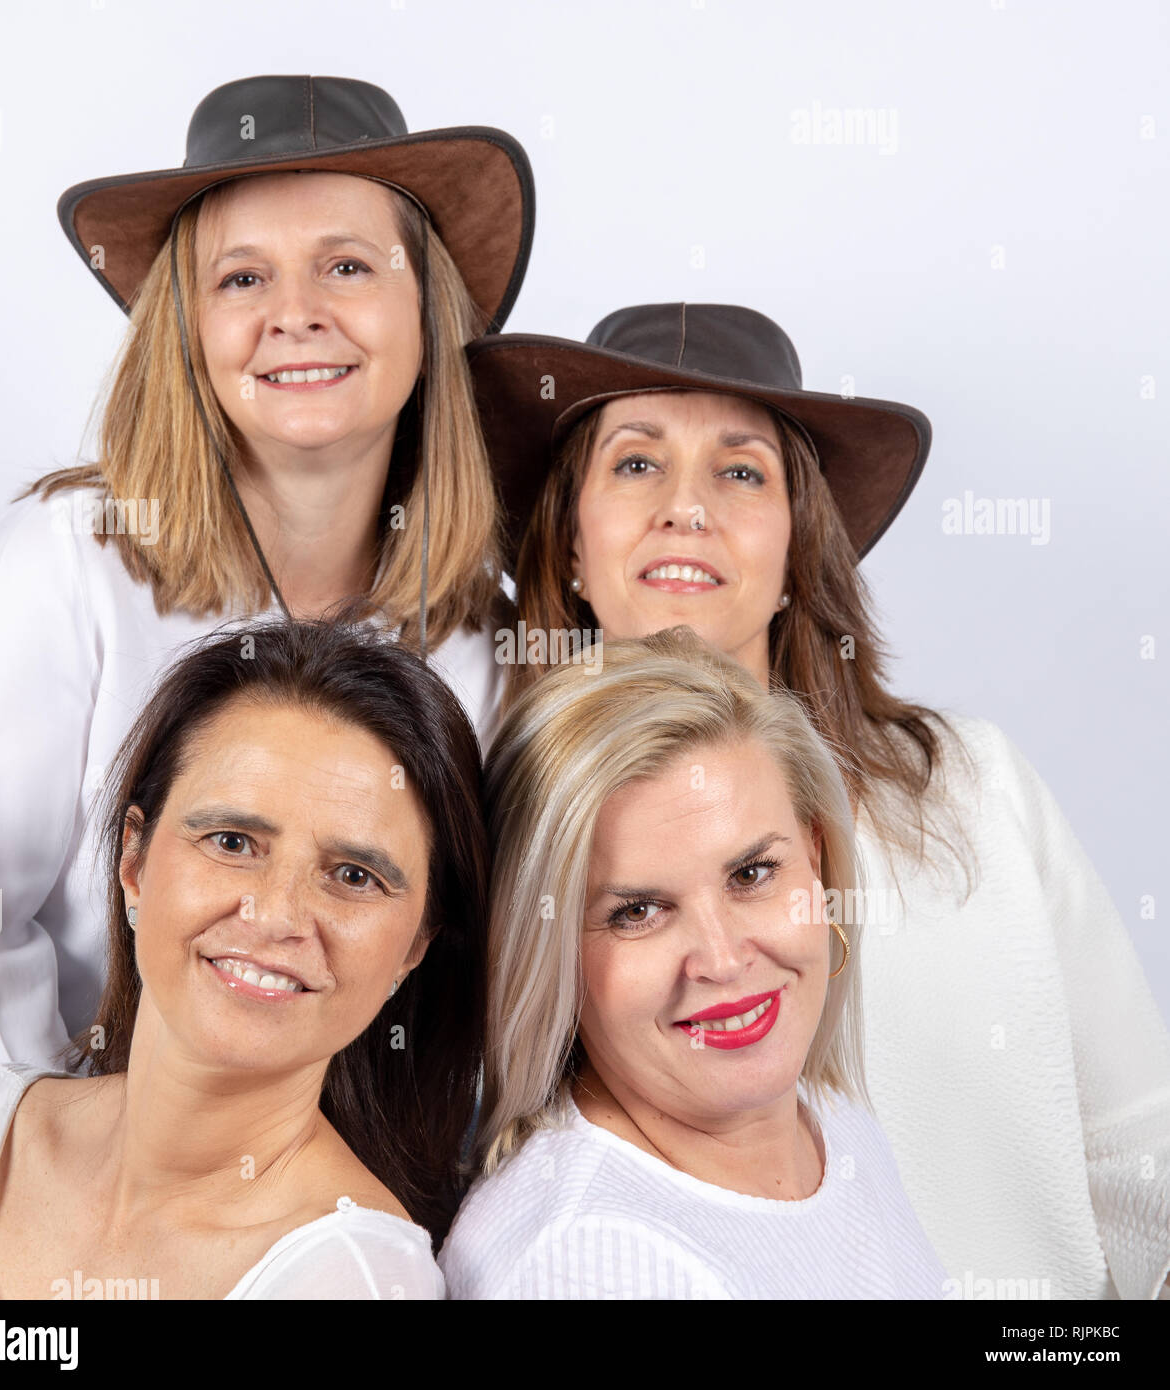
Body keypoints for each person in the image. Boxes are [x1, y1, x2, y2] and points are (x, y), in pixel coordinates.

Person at [464, 302, 1170, 1299]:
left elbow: (1144, 1160)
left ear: (799, 552)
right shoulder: (506, 841)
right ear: (569, 547)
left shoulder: (972, 787)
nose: (686, 505)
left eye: (740, 469)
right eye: (634, 462)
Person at [0, 74, 532, 1072]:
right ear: (187, 330)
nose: (294, 314)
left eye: (346, 266)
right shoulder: (64, 565)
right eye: (242, 278)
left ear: (426, 313)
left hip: (366, 1185)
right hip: (66, 1158)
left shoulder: (491, 643)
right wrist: (58, 1156)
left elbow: (481, 980)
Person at [0, 614, 489, 1298]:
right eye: (231, 841)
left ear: (415, 947)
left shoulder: (360, 1281)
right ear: (133, 862)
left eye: (352, 876)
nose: (275, 915)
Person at [441, 628, 946, 1299]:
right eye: (637, 912)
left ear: (816, 862)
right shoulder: (582, 1261)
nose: (723, 960)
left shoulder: (821, 1111)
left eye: (752, 873)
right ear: (544, 952)